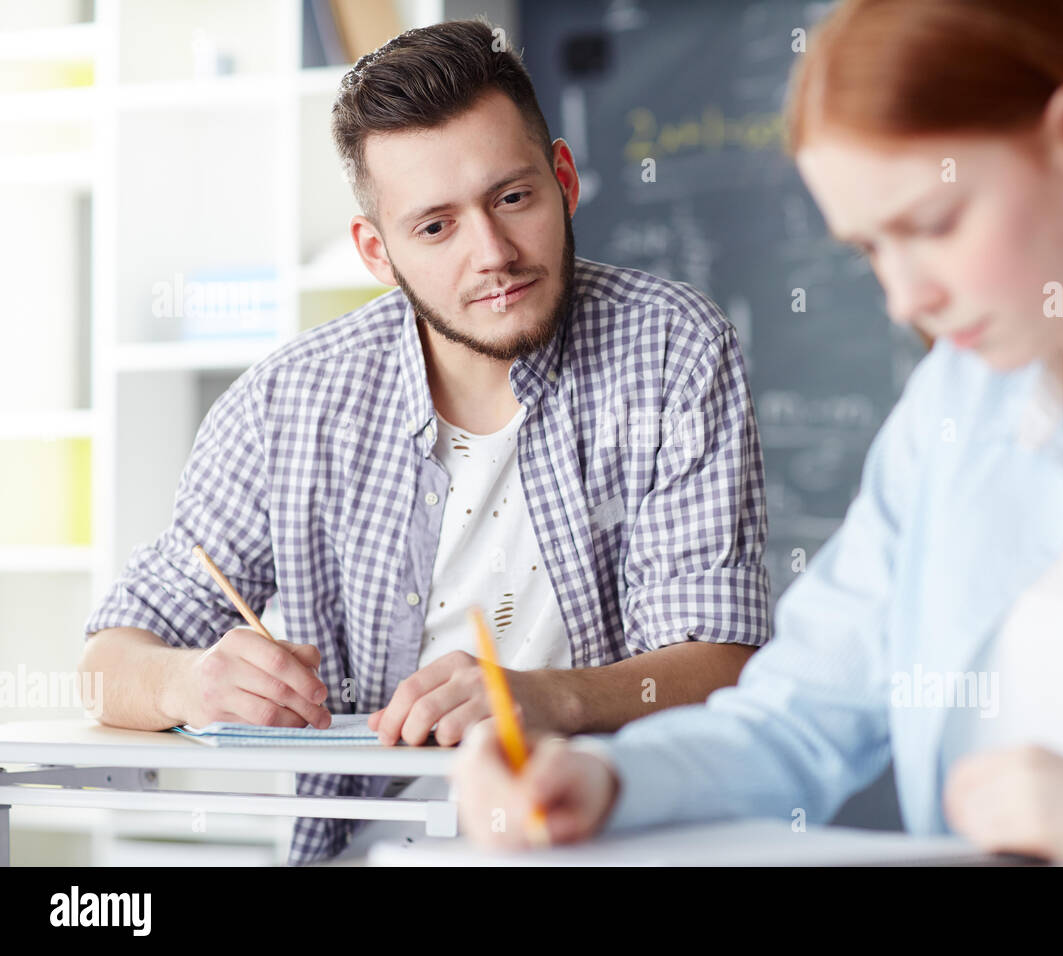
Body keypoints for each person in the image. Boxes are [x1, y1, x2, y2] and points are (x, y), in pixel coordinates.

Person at [451, 0, 1063, 865]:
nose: (904, 300)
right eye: (871, 250)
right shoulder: (959, 410)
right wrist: (609, 783)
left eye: (931, 226)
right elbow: (796, 720)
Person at [80, 19, 770, 865]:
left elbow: (723, 660)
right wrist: (190, 682)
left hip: (602, 840)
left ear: (563, 179)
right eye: (436, 227)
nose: (494, 256)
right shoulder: (290, 401)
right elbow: (106, 661)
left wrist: (548, 699)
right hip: (366, 850)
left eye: (511, 198)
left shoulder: (671, 348)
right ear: (378, 252)